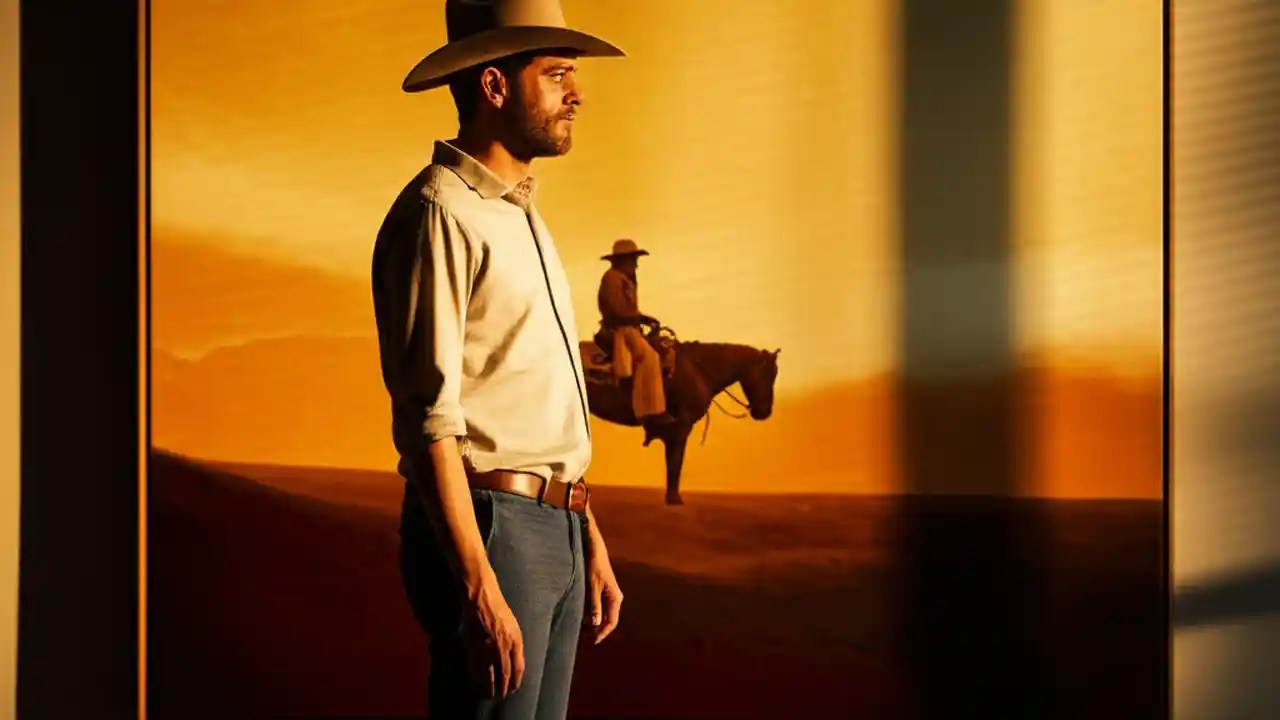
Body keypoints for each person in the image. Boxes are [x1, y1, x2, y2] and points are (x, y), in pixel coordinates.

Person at [371, 2, 625, 717]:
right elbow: (427, 419)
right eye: (557, 75)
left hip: (554, 526)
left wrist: (586, 529)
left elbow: (533, 397)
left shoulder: (518, 214)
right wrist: (480, 584)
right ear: (494, 87)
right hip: (492, 527)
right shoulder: (439, 213)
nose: (578, 93)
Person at [596, 239, 675, 432]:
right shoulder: (613, 279)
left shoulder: (624, 278)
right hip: (620, 330)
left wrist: (644, 319)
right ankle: (651, 410)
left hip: (629, 328)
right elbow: (618, 310)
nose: (636, 264)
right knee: (650, 358)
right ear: (622, 261)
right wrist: (642, 319)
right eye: (633, 260)